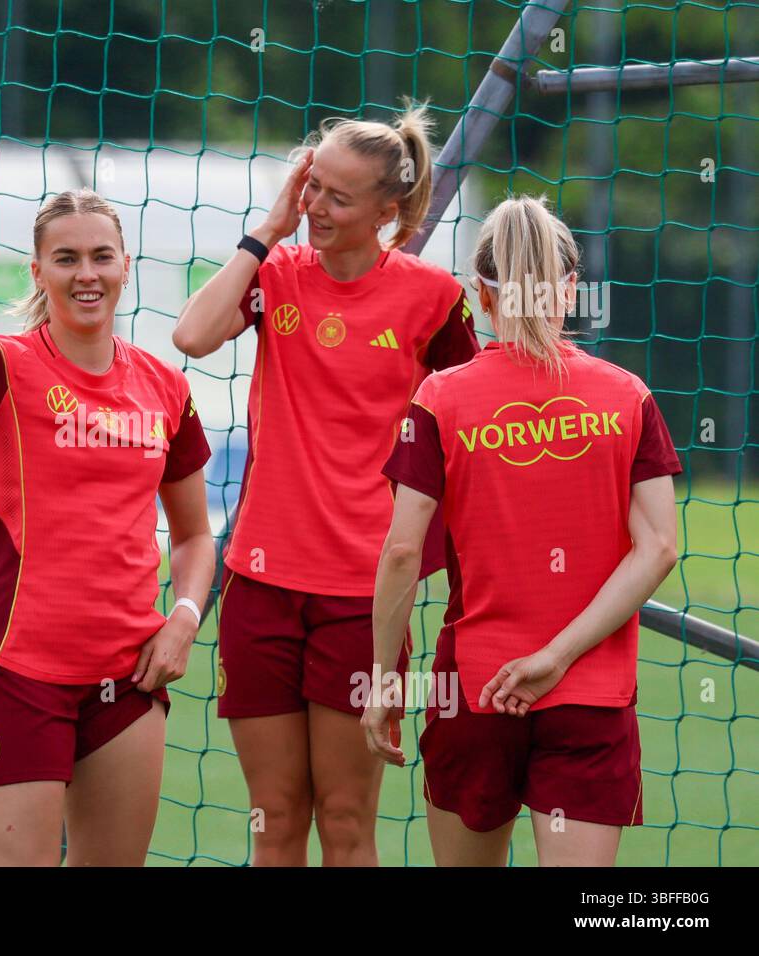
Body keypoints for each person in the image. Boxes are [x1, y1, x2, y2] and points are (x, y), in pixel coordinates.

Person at [172, 100, 479, 865]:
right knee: (273, 819)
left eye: (338, 198)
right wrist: (266, 230)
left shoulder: (432, 298)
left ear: (390, 210)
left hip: (362, 600)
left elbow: (470, 418)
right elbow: (192, 336)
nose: (316, 208)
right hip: (260, 586)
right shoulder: (274, 274)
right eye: (313, 187)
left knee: (344, 823)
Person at [0, 183, 214, 866]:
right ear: (38, 273)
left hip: (128, 676)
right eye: (66, 259)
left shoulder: (165, 388)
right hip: (15, 668)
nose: (86, 274)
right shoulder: (0, 365)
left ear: (127, 266)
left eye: (101, 257)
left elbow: (192, 537)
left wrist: (183, 616)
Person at [367, 195, 681, 866]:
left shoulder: (440, 398)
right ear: (570, 288)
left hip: (477, 690)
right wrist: (559, 656)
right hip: (591, 698)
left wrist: (382, 677)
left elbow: (399, 553)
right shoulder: (629, 396)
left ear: (482, 294)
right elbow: (658, 547)